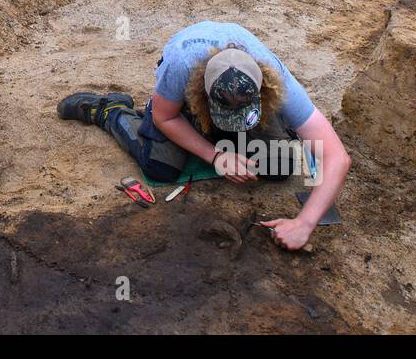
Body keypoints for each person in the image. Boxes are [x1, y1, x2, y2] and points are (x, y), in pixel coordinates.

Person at [57, 21, 352, 251]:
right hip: (180, 108)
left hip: (236, 103)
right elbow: (165, 117)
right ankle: (112, 111)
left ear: (263, 93)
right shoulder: (182, 65)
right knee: (160, 166)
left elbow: (337, 157)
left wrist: (305, 223)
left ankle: (254, 128)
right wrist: (217, 156)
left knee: (279, 164)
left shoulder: (277, 79)